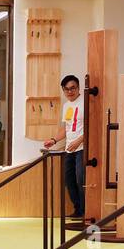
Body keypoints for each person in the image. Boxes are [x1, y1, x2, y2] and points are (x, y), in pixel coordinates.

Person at [42, 75, 86, 219]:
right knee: (69, 180)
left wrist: (79, 141)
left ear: (78, 87)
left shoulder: (86, 102)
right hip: (69, 148)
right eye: (66, 89)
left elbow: (93, 127)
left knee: (81, 179)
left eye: (72, 88)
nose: (70, 91)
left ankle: (87, 211)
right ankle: (78, 210)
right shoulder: (67, 105)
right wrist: (54, 140)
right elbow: (66, 128)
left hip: (81, 148)